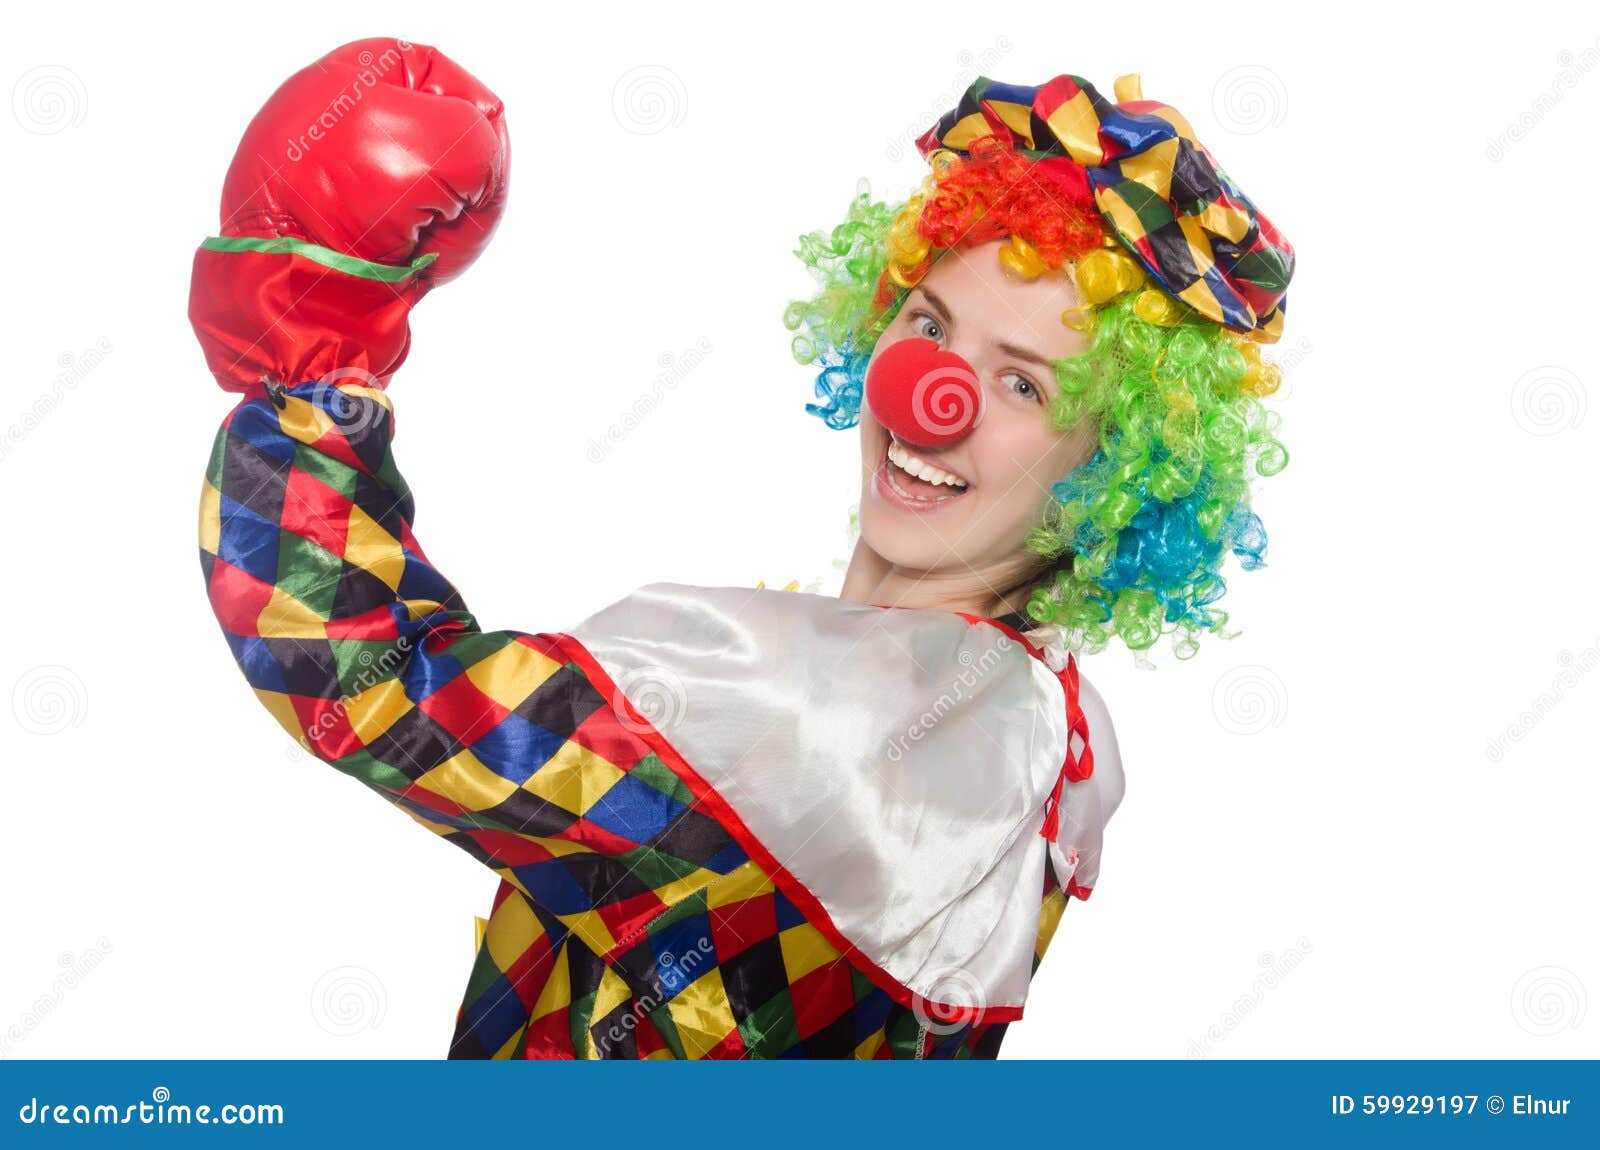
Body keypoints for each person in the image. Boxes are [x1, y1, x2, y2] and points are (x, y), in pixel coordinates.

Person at [192, 41, 1293, 1059]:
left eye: (1021, 383)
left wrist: (312, 352)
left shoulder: (822, 726)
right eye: (925, 322)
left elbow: (372, 683)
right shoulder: (1047, 725)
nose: (932, 395)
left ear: (1112, 469)